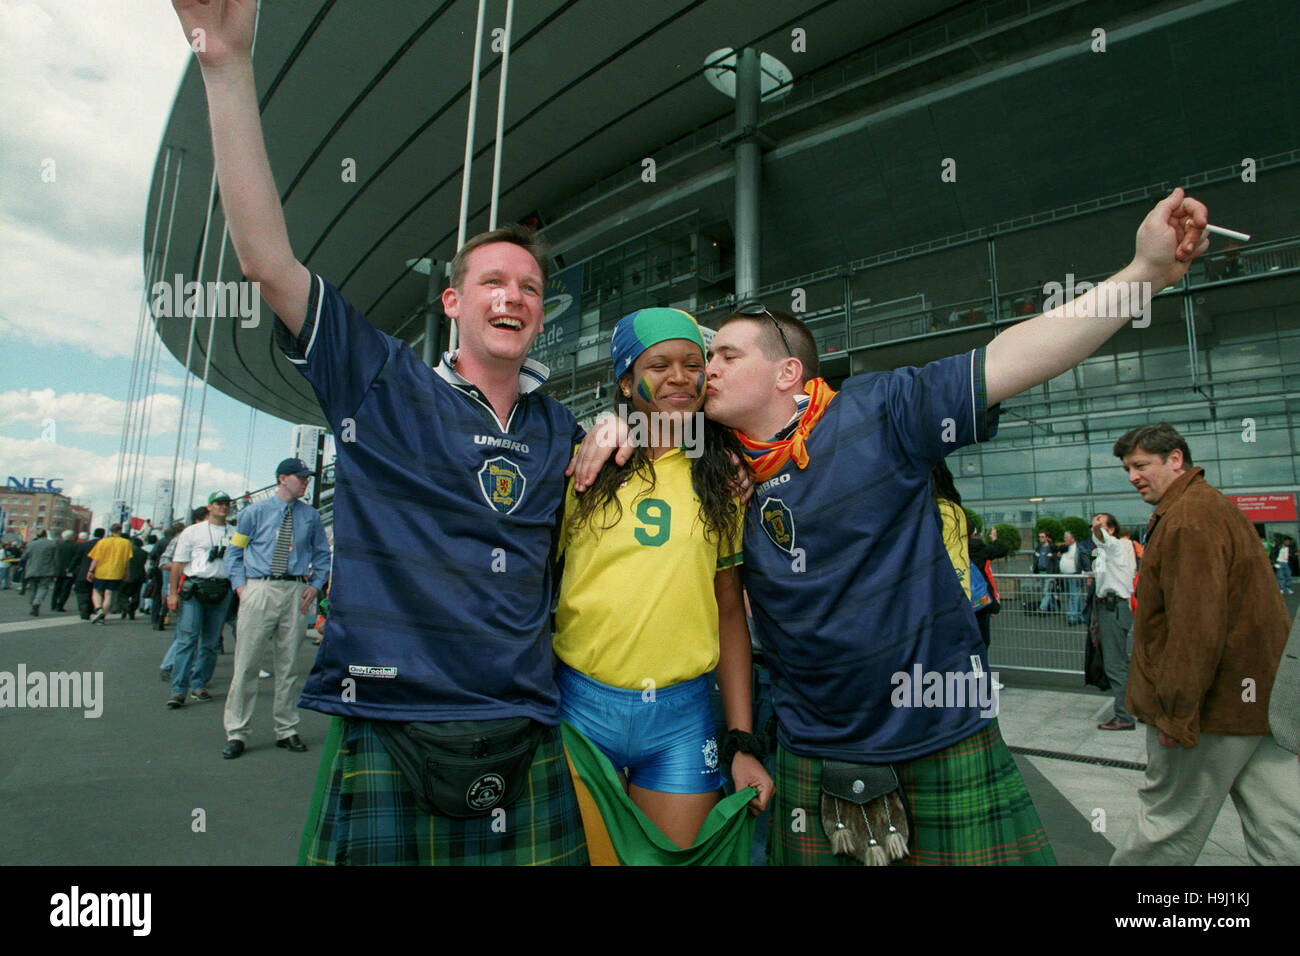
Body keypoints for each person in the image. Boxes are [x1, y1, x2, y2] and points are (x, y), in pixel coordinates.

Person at [595, 187, 1211, 866]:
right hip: (810, 743)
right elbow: (639, 419)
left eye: (726, 358)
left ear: (788, 373)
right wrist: (609, 424)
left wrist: (1144, 274)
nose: (703, 373)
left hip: (938, 731)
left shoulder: (881, 411)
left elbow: (1014, 356)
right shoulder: (712, 468)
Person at [170, 0, 603, 865]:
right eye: (491, 282)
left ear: (541, 316)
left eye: (527, 286)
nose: (512, 296)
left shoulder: (563, 428)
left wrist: (630, 426)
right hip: (391, 722)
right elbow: (265, 259)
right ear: (454, 303)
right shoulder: (380, 380)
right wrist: (226, 70)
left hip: (521, 724)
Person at [553, 309, 772, 848]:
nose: (679, 376)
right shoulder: (584, 464)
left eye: (692, 364)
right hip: (580, 709)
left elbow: (729, 614)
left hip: (681, 719)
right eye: (659, 364)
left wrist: (742, 740)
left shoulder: (726, 478)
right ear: (626, 381)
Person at [1108, 422, 1300, 865]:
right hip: (1258, 702)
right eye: (1127, 469)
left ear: (1175, 459)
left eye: (1140, 465)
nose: (1133, 476)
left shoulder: (1188, 518)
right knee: (1282, 828)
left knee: (1165, 826)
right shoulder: (1209, 507)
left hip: (1211, 710)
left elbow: (1194, 628)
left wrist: (1176, 715)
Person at [221, 458, 331, 759]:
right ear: (283, 478)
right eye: (301, 477)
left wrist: (316, 582)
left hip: (295, 590)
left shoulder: (310, 516)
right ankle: (237, 731)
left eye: (307, 478)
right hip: (260, 586)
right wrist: (241, 587)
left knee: (289, 663)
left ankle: (287, 728)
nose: (306, 482)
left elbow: (322, 554)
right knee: (246, 663)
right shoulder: (253, 513)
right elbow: (235, 552)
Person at [164, 493, 235, 708]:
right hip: (195, 588)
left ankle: (199, 684)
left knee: (211, 642)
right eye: (218, 503)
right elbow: (178, 563)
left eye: (226, 504)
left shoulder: (235, 532)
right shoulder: (192, 532)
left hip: (222, 588)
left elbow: (241, 558)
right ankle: (178, 689)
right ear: (209, 507)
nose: (223, 507)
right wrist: (173, 593)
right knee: (187, 639)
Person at [1090, 513, 1137, 730]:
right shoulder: (1104, 552)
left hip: (1114, 608)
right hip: (1108, 607)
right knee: (1119, 663)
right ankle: (1131, 709)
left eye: (1100, 521)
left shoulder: (1116, 546)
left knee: (1115, 665)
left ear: (1111, 529)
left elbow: (1102, 539)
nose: (1095, 526)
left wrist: (1099, 529)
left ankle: (1124, 716)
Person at [86, 524, 134, 624]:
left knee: (96, 591)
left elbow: (96, 558)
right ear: (120, 531)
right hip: (116, 571)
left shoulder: (102, 542)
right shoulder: (126, 543)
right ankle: (102, 617)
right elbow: (127, 560)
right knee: (109, 594)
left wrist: (90, 571)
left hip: (101, 571)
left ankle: (98, 609)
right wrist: (127, 572)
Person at [21, 531, 59, 617]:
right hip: (47, 570)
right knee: (43, 588)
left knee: (32, 589)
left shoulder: (31, 544)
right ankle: (37, 602)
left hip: (32, 570)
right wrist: (56, 570)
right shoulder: (52, 544)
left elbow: (24, 557)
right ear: (46, 535)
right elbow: (56, 559)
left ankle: (32, 605)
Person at [1058, 530, 1090, 624]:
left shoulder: (1079, 549)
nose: (1065, 539)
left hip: (1075, 575)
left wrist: (1088, 574)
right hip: (1065, 575)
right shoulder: (1065, 548)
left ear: (1072, 539)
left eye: (1066, 538)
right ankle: (1080, 616)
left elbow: (1085, 562)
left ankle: (1072, 617)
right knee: (1073, 596)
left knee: (1073, 595)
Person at [50, 529, 79, 612]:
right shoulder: (75, 546)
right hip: (70, 570)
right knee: (66, 589)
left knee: (57, 587)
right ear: (71, 537)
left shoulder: (58, 545)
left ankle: (53, 604)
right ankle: (60, 605)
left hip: (59, 569)